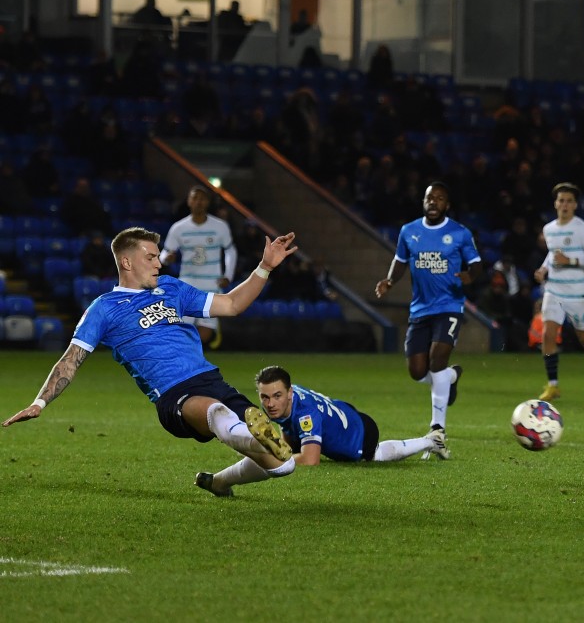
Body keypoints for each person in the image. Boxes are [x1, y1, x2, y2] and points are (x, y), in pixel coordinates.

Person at [2, 226, 300, 496]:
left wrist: (264, 267)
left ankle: (220, 481)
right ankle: (253, 437)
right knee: (217, 412)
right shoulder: (104, 309)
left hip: (211, 379)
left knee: (283, 464)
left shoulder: (171, 288)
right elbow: (71, 360)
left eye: (158, 257)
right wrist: (39, 403)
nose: (159, 263)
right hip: (174, 394)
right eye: (151, 257)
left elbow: (232, 304)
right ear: (127, 262)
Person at [194, 365, 450, 495]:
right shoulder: (289, 399)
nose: (270, 403)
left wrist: (277, 454)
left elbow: (311, 460)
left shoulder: (305, 414)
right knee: (281, 446)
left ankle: (430, 441)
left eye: (277, 396)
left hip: (359, 434)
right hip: (343, 412)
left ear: (290, 392)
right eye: (265, 397)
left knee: (376, 455)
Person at [374, 182, 482, 459]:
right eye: (429, 197)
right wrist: (389, 281)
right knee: (418, 372)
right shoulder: (409, 231)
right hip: (420, 310)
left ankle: (438, 430)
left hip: (449, 306)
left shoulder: (459, 233)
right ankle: (452, 376)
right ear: (423, 201)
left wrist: (470, 276)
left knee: (437, 361)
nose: (434, 202)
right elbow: (400, 261)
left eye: (440, 198)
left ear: (447, 204)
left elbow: (477, 264)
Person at [533, 182, 584, 400]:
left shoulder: (582, 228)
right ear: (555, 203)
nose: (564, 204)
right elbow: (553, 254)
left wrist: (570, 260)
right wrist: (544, 268)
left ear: (575, 205)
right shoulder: (549, 229)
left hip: (577, 291)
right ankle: (553, 385)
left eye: (569, 201)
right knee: (547, 334)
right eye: (561, 200)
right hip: (553, 289)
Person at [160, 186, 237, 349]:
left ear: (208, 202)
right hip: (187, 282)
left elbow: (230, 250)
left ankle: (190, 356)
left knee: (205, 332)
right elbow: (165, 252)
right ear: (189, 201)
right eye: (195, 198)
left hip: (211, 284)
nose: (198, 202)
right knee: (181, 326)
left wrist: (228, 275)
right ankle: (187, 359)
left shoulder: (220, 226)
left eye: (202, 199)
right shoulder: (179, 228)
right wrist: (167, 258)